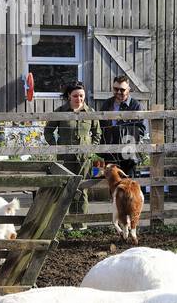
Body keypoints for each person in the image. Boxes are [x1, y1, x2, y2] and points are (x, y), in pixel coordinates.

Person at [45, 82, 99, 218]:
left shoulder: (90, 112)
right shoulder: (60, 112)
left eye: (81, 96)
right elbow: (48, 132)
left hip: (84, 157)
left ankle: (81, 223)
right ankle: (65, 223)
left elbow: (97, 133)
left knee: (82, 188)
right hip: (65, 157)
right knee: (65, 188)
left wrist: (90, 148)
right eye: (75, 96)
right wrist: (56, 146)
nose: (79, 99)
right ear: (69, 96)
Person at [100, 75, 144, 177]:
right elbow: (101, 126)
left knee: (128, 184)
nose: (119, 92)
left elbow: (140, 129)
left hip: (127, 150)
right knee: (112, 183)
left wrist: (122, 134)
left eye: (122, 90)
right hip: (110, 150)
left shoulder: (136, 106)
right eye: (116, 89)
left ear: (128, 89)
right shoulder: (107, 104)